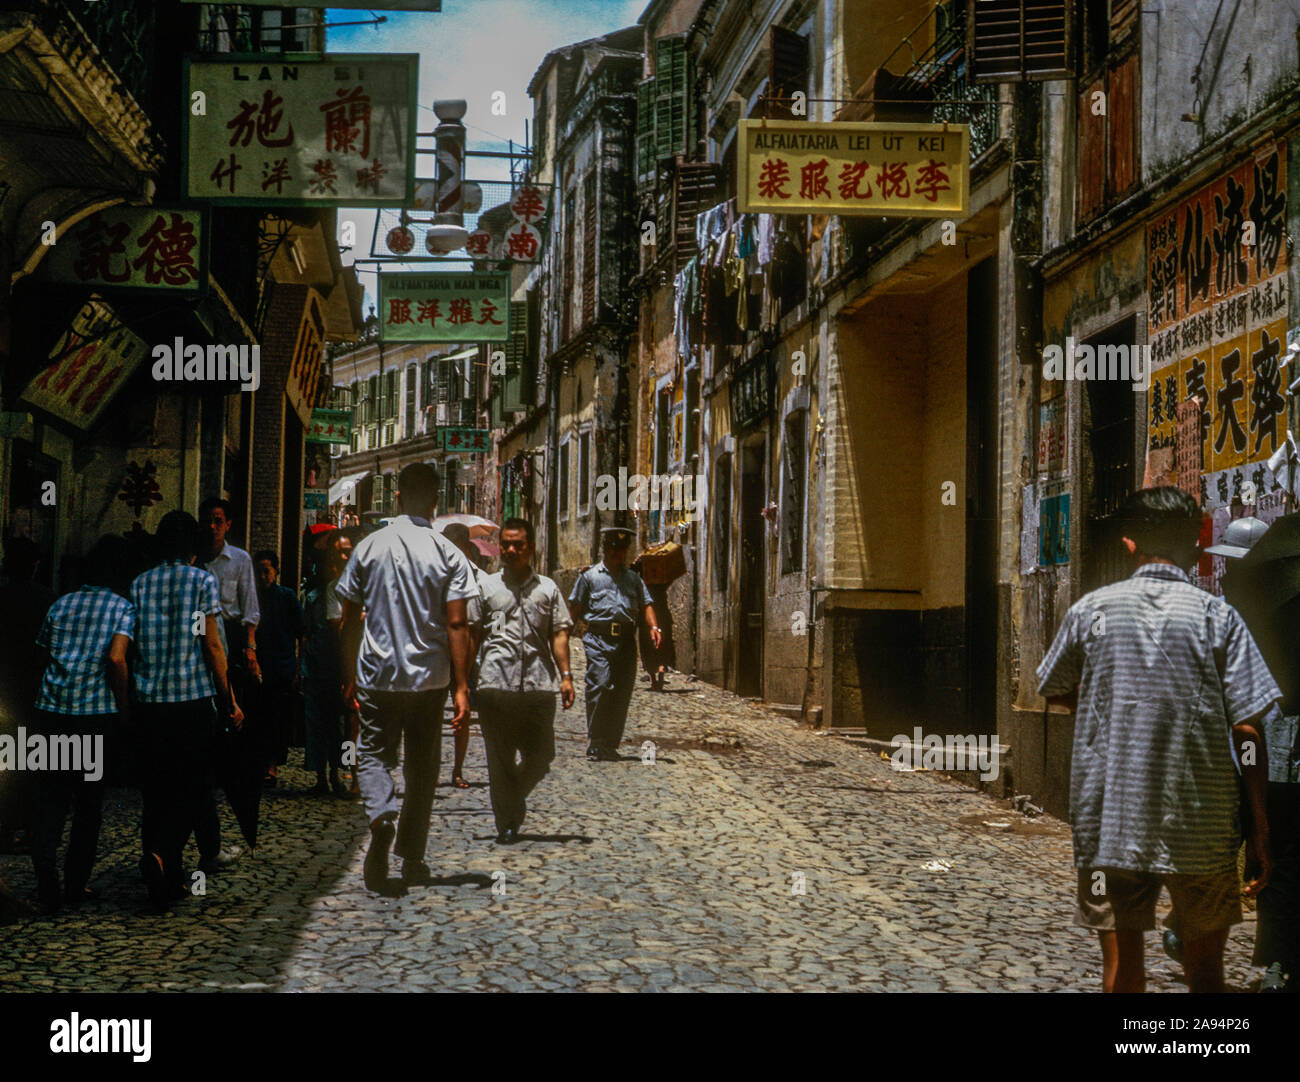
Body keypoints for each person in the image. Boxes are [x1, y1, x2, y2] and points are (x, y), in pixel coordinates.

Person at [1037, 487, 1275, 993]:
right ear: (1194, 546)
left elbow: (1055, 687)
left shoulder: (1092, 612)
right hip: (1203, 828)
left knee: (1122, 969)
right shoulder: (1217, 618)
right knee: (1207, 972)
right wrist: (1259, 827)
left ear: (1130, 543)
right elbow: (1248, 733)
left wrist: (1111, 707)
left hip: (1112, 825)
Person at [337, 463, 476, 891]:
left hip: (377, 674)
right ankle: (412, 855)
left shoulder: (368, 546)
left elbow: (348, 620)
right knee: (422, 767)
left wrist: (348, 674)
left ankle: (381, 815)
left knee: (374, 753)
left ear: (396, 497)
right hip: (428, 680)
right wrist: (462, 687)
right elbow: (457, 625)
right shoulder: (447, 552)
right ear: (435, 502)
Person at [1204, 515, 1300, 992]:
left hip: (1270, 762)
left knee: (1271, 859)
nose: (1229, 573)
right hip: (1258, 762)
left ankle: (1276, 961)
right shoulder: (1244, 614)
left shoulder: (1252, 616)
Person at [131, 511, 243, 910]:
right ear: (192, 546)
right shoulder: (201, 581)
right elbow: (210, 644)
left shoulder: (141, 584)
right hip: (191, 700)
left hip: (149, 702)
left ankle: (164, 874)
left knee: (156, 788)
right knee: (191, 785)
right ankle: (163, 856)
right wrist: (228, 699)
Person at [29, 535, 134, 912]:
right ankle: (75, 885)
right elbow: (117, 659)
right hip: (94, 718)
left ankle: (45, 873)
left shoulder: (61, 605)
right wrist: (124, 710)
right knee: (88, 807)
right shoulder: (123, 608)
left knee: (52, 799)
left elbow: (41, 657)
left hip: (53, 712)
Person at [474, 518, 574, 844]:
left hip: (538, 685)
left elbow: (559, 633)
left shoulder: (547, 589)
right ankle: (507, 822)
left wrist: (566, 676)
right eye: (506, 544)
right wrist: (465, 682)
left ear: (531, 547)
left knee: (542, 755)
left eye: (518, 544)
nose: (511, 550)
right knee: (499, 758)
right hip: (495, 685)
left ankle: (511, 796)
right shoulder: (487, 588)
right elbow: (472, 634)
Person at [199, 497, 259, 870]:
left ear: (228, 524)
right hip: (200, 638)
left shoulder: (240, 560)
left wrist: (250, 648)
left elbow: (250, 607)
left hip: (230, 640)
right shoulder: (194, 562)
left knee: (235, 715)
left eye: (218, 521)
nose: (212, 527)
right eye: (207, 521)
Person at [568, 526, 660, 761]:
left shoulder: (633, 579)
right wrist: (564, 634)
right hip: (598, 638)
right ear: (605, 549)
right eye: (613, 548)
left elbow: (646, 604)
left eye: (622, 549)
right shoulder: (589, 577)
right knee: (599, 683)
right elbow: (576, 607)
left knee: (621, 691)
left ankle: (610, 743)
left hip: (626, 641)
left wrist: (653, 627)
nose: (617, 553)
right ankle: (596, 740)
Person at [0, 537, 55, 855]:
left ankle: (7, 827)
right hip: (34, 688)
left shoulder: (3, 596)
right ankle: (32, 828)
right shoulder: (47, 600)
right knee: (33, 762)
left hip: (5, 686)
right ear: (36, 565)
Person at [301, 530, 353, 797]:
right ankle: (321, 774)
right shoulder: (318, 595)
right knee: (318, 725)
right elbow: (312, 632)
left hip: (347, 668)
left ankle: (344, 772)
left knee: (345, 727)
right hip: (320, 666)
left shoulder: (356, 587)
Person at [442, 522, 489, 790]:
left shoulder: (477, 577)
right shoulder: (437, 572)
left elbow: (474, 630)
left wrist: (462, 674)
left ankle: (457, 769)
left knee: (464, 712)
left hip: (464, 656)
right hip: (437, 653)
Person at [253, 550, 303, 788]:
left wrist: (298, 669)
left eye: (267, 571)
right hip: (258, 666)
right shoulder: (252, 598)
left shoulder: (287, 597)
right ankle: (261, 764)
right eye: (259, 571)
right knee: (260, 719)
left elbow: (301, 633)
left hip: (282, 666)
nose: (263, 576)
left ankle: (272, 765)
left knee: (278, 720)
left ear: (276, 572)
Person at [631, 556, 675, 692]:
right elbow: (671, 577)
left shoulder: (640, 583)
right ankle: (662, 667)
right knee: (663, 643)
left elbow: (629, 573)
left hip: (646, 619)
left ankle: (654, 682)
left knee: (646, 647)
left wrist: (635, 564)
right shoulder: (661, 582)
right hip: (663, 616)